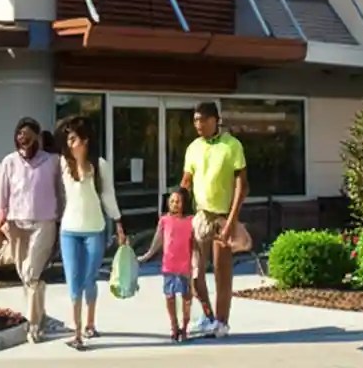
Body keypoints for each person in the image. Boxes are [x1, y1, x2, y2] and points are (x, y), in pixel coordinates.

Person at [56, 115, 126, 351]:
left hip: (95, 231)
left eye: (74, 139)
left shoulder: (100, 165)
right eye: (68, 139)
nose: (69, 143)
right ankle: (77, 333)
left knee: (89, 279)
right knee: (73, 282)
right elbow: (56, 136)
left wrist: (118, 223)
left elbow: (108, 196)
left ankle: (90, 322)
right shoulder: (63, 164)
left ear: (85, 141)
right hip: (69, 232)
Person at [181, 101, 247, 339]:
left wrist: (231, 221)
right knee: (195, 273)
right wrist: (176, 206)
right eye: (195, 120)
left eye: (203, 120)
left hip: (222, 216)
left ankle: (222, 322)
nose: (198, 124)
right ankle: (208, 316)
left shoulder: (232, 146)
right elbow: (186, 181)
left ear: (214, 120)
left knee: (222, 272)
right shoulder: (193, 148)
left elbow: (242, 186)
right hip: (201, 215)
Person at [0, 117, 62, 343]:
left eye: (28, 135)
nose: (24, 139)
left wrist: (64, 219)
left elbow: (62, 193)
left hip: (44, 223)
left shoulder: (52, 162)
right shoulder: (9, 162)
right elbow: (2, 198)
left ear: (38, 138)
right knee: (26, 276)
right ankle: (41, 317)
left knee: (31, 274)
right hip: (16, 224)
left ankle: (33, 327)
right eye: (20, 134)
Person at [139, 187, 195, 342]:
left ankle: (184, 328)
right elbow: (157, 241)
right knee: (170, 297)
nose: (175, 204)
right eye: (172, 201)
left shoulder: (191, 221)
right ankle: (174, 326)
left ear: (184, 203)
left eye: (178, 201)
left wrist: (197, 264)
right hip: (169, 265)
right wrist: (146, 256)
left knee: (186, 298)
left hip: (186, 266)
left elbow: (196, 245)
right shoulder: (164, 220)